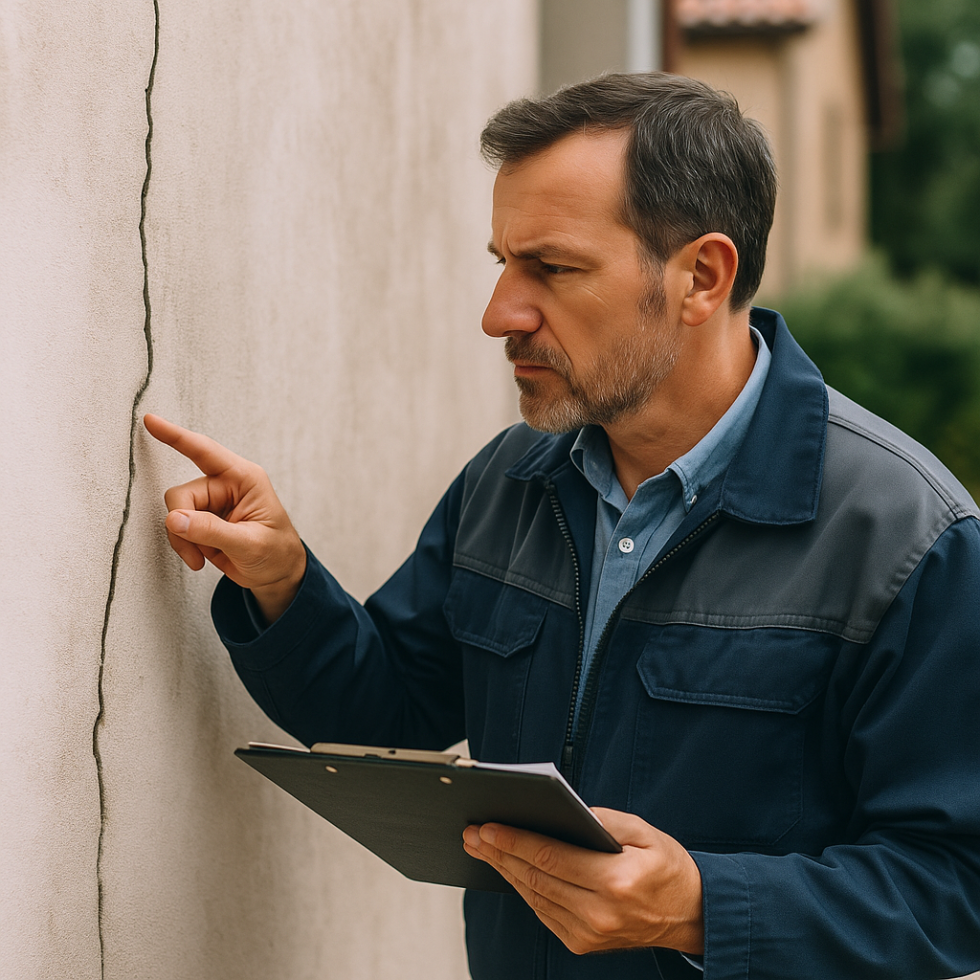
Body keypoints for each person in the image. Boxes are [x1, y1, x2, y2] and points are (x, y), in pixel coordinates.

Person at [145, 73, 980, 979]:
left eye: (551, 267)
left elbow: (958, 886)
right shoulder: (511, 480)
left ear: (702, 276)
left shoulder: (908, 539)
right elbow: (389, 705)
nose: (500, 312)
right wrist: (282, 581)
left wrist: (701, 906)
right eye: (501, 262)